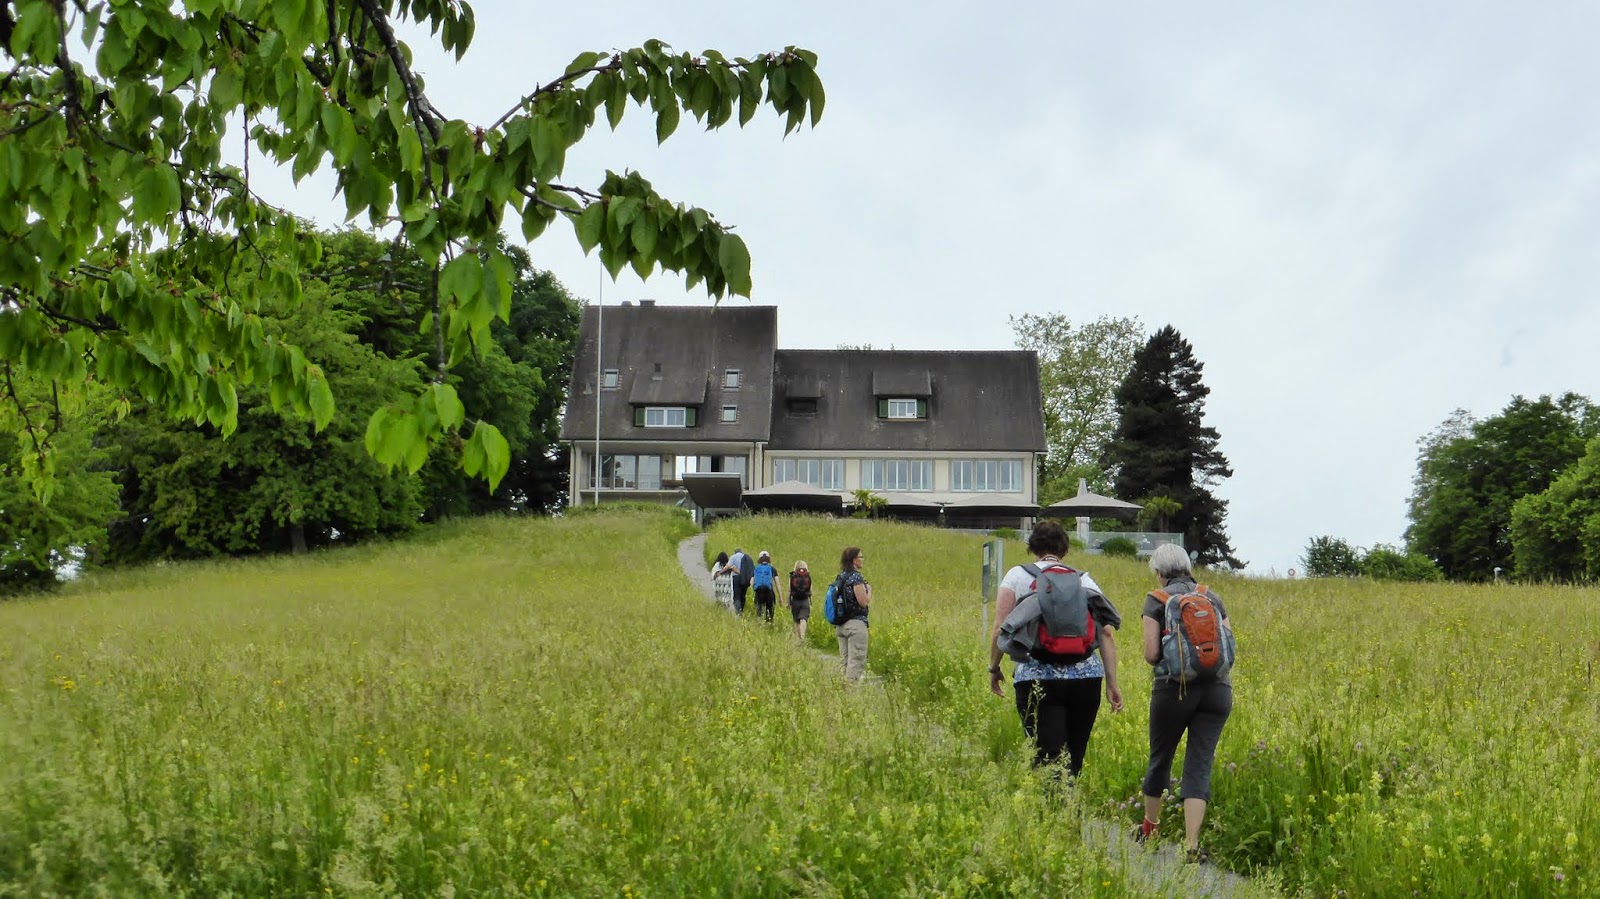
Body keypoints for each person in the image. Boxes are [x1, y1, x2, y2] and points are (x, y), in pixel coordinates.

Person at [987, 519, 1123, 778]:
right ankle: (1071, 811)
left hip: (1037, 679)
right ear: (1064, 548)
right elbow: (1105, 632)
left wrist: (994, 667)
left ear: (1032, 546)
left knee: (1047, 758)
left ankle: (1055, 812)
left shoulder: (1017, 575)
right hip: (1086, 680)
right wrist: (1112, 683)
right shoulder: (1083, 580)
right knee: (1075, 756)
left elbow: (1000, 627)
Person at [1134, 543, 1234, 864]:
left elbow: (1151, 654)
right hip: (1217, 691)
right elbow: (1227, 647)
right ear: (1187, 567)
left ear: (1160, 573)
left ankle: (1150, 830)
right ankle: (1191, 844)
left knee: (1160, 757)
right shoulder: (1212, 597)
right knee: (1200, 763)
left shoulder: (1156, 600)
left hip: (1173, 691)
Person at [834, 546, 871, 683]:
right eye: (861, 557)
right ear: (854, 560)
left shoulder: (841, 576)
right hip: (856, 625)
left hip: (841, 624)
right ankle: (850, 694)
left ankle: (841, 692)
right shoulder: (856, 577)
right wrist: (869, 591)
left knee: (845, 662)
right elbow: (863, 602)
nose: (862, 560)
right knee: (856, 662)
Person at [752, 551, 781, 623]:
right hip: (769, 592)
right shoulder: (772, 569)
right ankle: (769, 623)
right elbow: (777, 584)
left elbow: (751, 581)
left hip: (759, 592)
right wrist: (780, 597)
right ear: (768, 559)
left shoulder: (756, 568)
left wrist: (755, 587)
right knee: (770, 610)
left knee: (759, 610)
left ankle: (759, 624)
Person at [788, 560, 813, 641]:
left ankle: (798, 639)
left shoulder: (793, 576)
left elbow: (789, 590)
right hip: (805, 600)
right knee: (803, 619)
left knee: (796, 620)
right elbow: (810, 590)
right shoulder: (808, 576)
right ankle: (802, 637)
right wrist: (810, 601)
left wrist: (788, 602)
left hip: (795, 600)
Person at [729, 548, 753, 616]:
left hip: (736, 578)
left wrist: (720, 572)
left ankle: (738, 611)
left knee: (737, 595)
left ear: (735, 552)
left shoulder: (733, 557)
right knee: (743, 595)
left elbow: (729, 566)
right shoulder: (746, 557)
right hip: (745, 578)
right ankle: (742, 609)